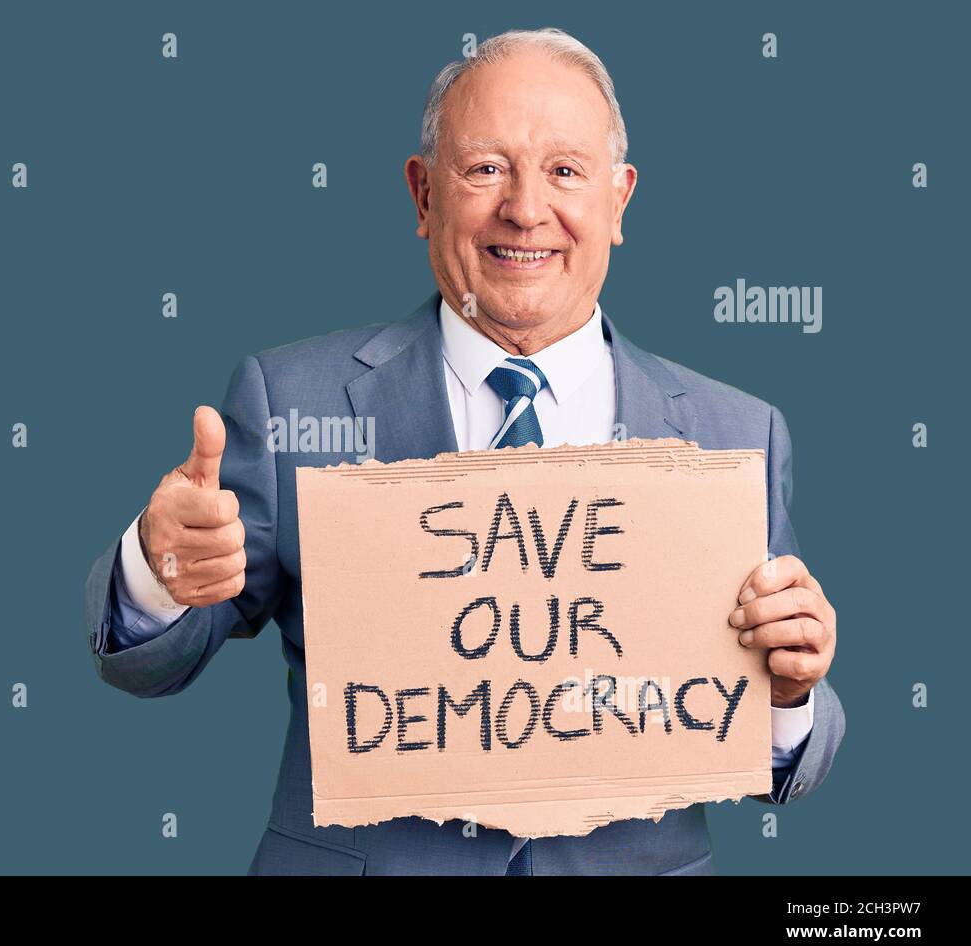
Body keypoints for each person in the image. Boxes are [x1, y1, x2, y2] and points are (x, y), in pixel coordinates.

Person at [83, 27, 843, 875]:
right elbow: (156, 664)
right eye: (485, 168)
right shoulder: (289, 401)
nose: (525, 209)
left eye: (565, 171)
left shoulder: (734, 432)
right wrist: (158, 576)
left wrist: (786, 696)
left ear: (619, 201)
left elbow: (781, 755)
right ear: (422, 195)